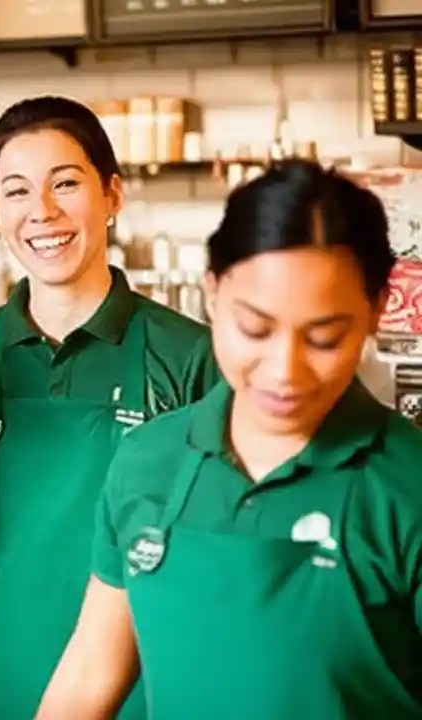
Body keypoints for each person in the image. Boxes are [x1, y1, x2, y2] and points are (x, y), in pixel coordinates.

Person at [38, 161, 422, 719]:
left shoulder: (406, 485)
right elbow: (91, 673)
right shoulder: (149, 462)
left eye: (324, 338)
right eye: (255, 329)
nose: (284, 371)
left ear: (377, 309)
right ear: (212, 294)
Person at [0, 96, 218, 720]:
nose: (42, 213)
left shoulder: (193, 359)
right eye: (17, 191)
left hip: (139, 698)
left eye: (66, 184)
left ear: (111, 195)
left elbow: (211, 572)